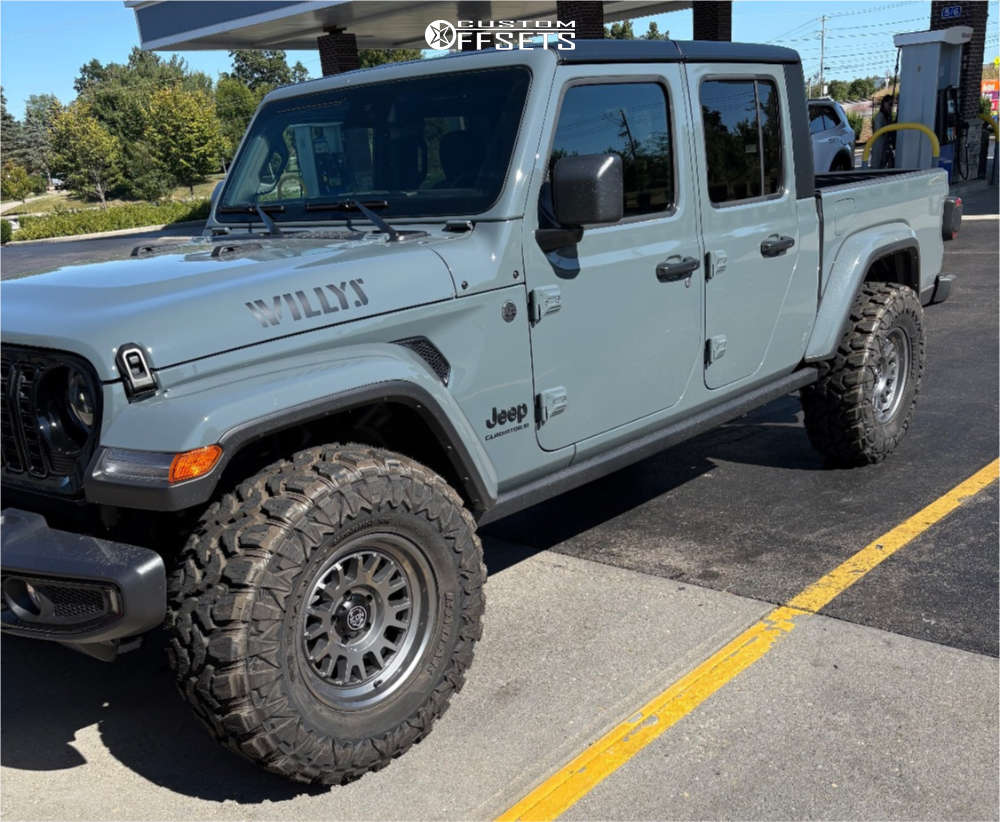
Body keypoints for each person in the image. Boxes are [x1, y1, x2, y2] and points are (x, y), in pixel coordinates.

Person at [871, 95, 895, 168]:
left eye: (892, 105)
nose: (891, 107)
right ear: (884, 103)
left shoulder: (887, 116)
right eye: (890, 104)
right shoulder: (879, 116)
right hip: (879, 148)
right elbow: (880, 131)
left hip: (885, 148)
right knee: (876, 168)